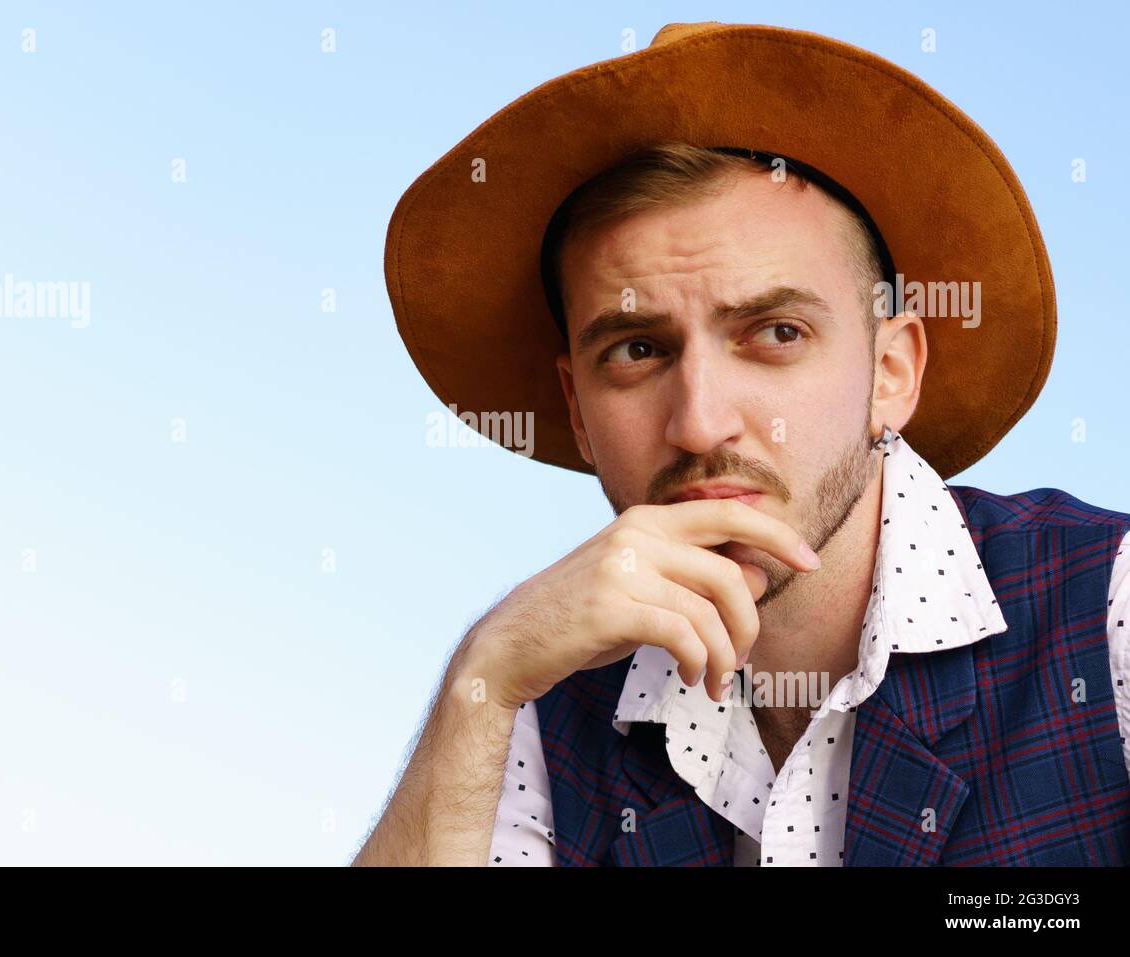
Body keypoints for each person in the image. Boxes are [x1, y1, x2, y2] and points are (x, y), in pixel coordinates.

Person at [354, 22, 1130, 866]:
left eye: (775, 332)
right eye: (637, 350)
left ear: (892, 372)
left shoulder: (1107, 612)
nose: (698, 422)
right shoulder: (539, 709)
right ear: (576, 407)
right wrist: (484, 674)